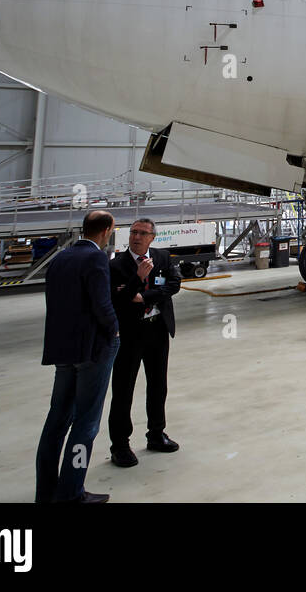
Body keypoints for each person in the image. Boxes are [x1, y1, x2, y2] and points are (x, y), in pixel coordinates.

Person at [35, 209, 120, 504]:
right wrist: (115, 331)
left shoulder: (61, 257)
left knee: (56, 421)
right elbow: (102, 303)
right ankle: (71, 492)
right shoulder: (96, 258)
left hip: (63, 349)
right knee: (86, 424)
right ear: (107, 230)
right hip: (93, 348)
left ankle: (46, 490)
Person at [107, 217, 181, 467]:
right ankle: (120, 445)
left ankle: (156, 434)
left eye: (142, 233)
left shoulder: (162, 257)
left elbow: (174, 285)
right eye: (133, 232)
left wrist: (145, 296)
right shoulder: (117, 265)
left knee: (158, 385)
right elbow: (120, 299)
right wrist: (138, 278)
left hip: (157, 330)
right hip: (130, 334)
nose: (136, 237)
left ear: (152, 237)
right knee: (123, 390)